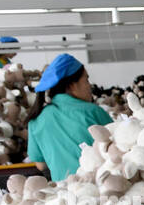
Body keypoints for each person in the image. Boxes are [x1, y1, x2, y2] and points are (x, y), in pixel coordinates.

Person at [24, 54, 113, 182]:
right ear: (72, 85)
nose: (89, 86)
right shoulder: (92, 111)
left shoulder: (36, 120)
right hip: (101, 186)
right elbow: (118, 148)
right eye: (86, 80)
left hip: (64, 193)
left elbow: (40, 164)